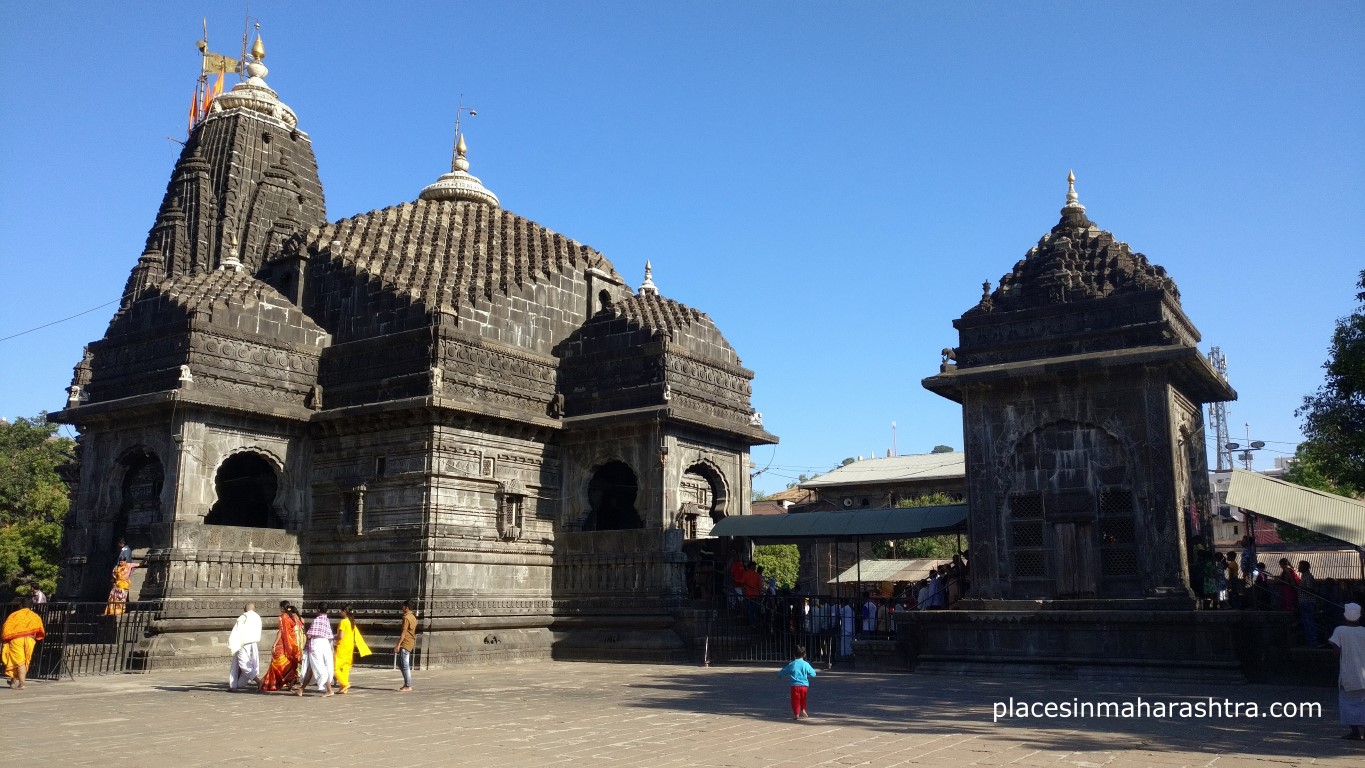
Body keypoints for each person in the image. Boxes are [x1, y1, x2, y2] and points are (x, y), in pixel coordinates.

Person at [1328, 603, 1365, 740]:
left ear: (1345, 615)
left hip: (1348, 673)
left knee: (1347, 703)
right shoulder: (1364, 631)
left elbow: (1336, 651)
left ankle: (1355, 731)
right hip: (1363, 673)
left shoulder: (1340, 630)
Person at [260, 602, 304, 692]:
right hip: (292, 643)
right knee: (288, 662)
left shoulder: (282, 617)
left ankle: (275, 682)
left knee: (277, 663)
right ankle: (288, 680)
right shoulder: (291, 617)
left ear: (282, 608)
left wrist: (275, 643)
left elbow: (281, 631)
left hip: (282, 643)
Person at [3, 597, 45, 689]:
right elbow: (40, 631)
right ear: (31, 606)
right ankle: (13, 682)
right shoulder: (35, 616)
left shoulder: (14, 615)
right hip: (30, 640)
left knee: (19, 661)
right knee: (24, 661)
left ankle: (22, 684)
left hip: (17, 640)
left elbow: (6, 629)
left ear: (20, 605)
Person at [333, 604, 372, 694]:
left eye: (341, 611)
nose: (340, 613)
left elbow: (340, 636)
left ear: (345, 612)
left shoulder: (343, 622)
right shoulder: (351, 622)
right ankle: (343, 688)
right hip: (349, 648)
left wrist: (332, 637)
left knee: (334, 668)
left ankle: (345, 683)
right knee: (345, 668)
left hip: (342, 647)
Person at [227, 602, 263, 691]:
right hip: (253, 643)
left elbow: (236, 631)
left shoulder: (244, 617)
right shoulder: (257, 617)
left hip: (242, 643)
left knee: (244, 664)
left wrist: (232, 643)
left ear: (245, 609)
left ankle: (258, 681)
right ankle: (235, 685)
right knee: (242, 663)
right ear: (254, 609)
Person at [301, 605, 335, 697]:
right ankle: (301, 689)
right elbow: (330, 636)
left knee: (319, 666)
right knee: (312, 667)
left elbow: (309, 635)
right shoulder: (327, 621)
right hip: (326, 644)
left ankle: (329, 690)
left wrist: (304, 631)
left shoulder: (317, 620)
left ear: (318, 610)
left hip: (317, 645)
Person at [777, 644, 817, 719]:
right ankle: (803, 710)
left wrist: (779, 675)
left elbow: (783, 672)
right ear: (804, 654)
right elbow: (813, 674)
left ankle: (796, 713)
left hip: (795, 685)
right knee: (803, 698)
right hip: (805, 686)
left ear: (793, 654)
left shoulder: (792, 664)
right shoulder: (806, 664)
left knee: (795, 699)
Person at [394, 599, 417, 692]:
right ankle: (406, 683)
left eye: (403, 606)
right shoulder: (413, 617)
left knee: (405, 664)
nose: (402, 608)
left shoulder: (406, 618)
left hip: (405, 643)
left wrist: (398, 644)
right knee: (400, 663)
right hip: (410, 642)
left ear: (406, 608)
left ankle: (408, 685)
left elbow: (404, 632)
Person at [1298, 561, 1320, 646]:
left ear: (1304, 567)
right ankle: (1310, 641)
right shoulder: (1304, 576)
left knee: (1309, 622)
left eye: (1300, 566)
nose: (1299, 567)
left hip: (1308, 602)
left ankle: (1313, 641)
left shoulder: (1308, 577)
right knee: (1306, 622)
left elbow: (1311, 590)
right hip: (1303, 602)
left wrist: (1299, 587)